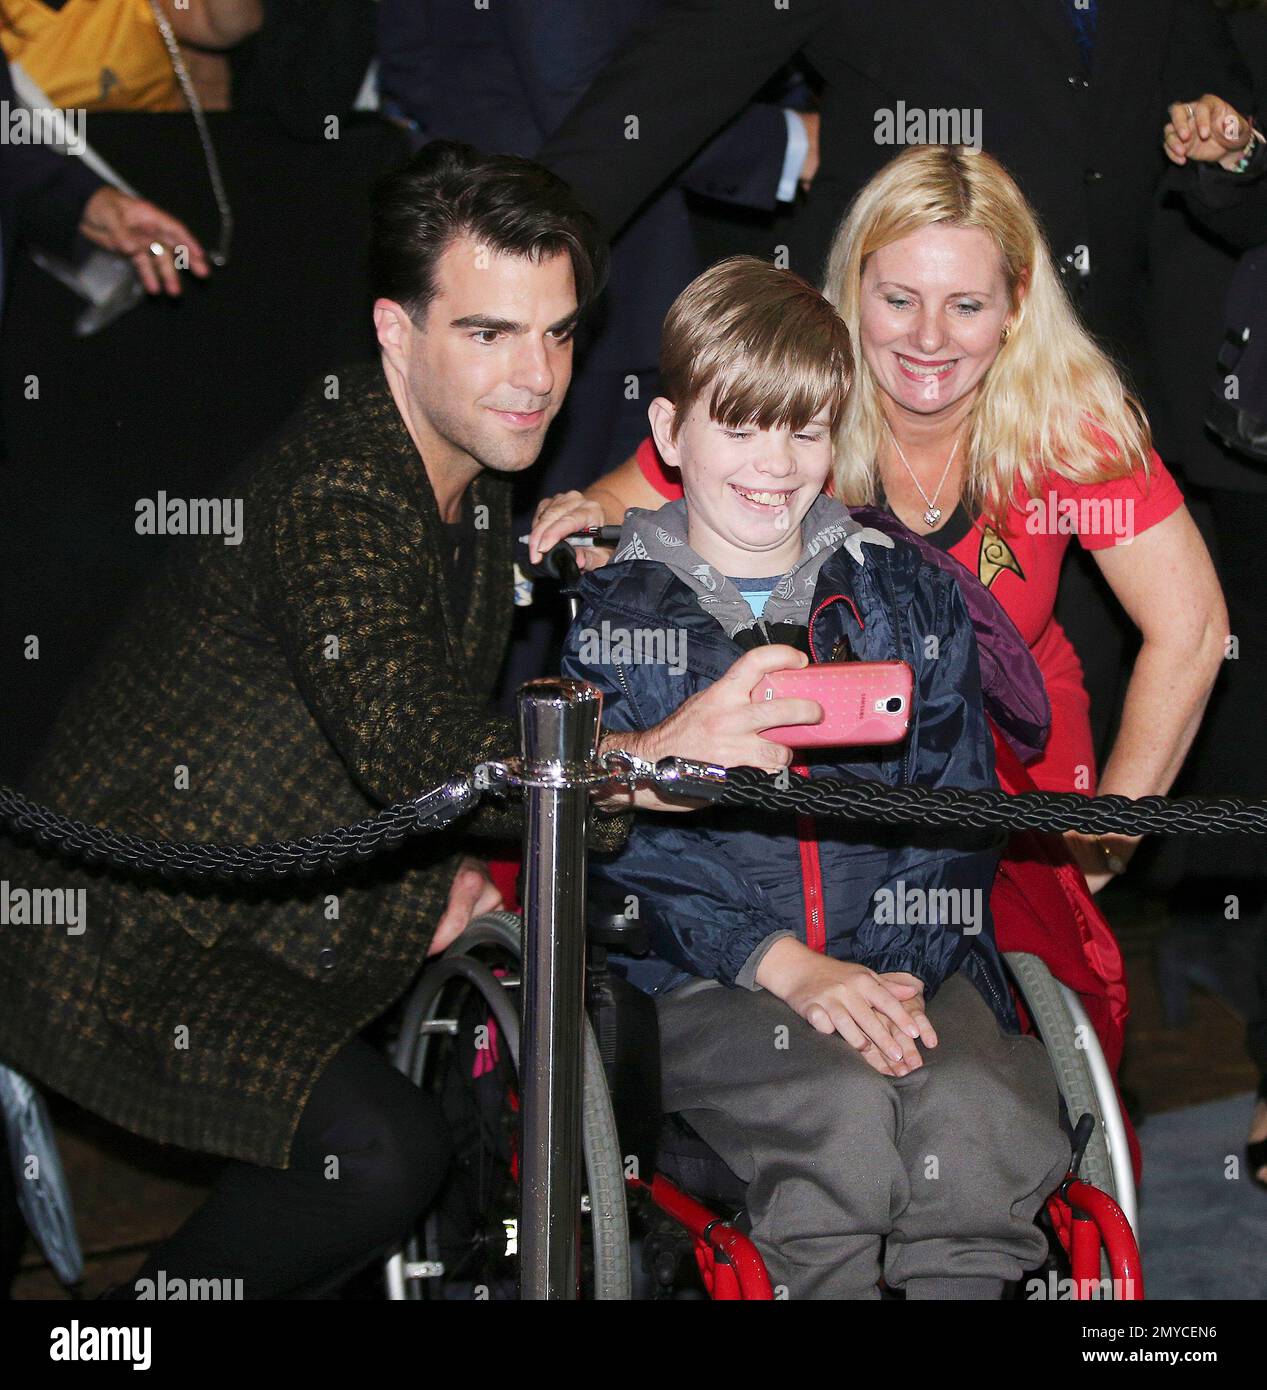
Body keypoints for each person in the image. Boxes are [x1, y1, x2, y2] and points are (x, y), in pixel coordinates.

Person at [0, 141, 819, 1299]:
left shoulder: (470, 467)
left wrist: (441, 866)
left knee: (387, 1154)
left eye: (558, 332)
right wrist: (644, 757)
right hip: (126, 932)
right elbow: (407, 740)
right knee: (375, 1155)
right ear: (396, 330)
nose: (536, 377)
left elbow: (408, 720)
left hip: (265, 915)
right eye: (489, 333)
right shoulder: (341, 487)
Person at [562, 255, 1070, 1299]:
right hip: (708, 984)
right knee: (840, 1125)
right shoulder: (617, 622)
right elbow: (630, 856)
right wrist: (784, 964)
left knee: (980, 1118)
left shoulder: (907, 595)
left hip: (909, 963)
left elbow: (955, 808)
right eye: (741, 426)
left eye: (803, 430)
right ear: (669, 434)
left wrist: (896, 968)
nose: (774, 462)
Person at [536, 145, 1228, 897]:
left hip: (1017, 766)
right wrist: (585, 522)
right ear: (853, 289)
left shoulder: (1068, 421)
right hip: (825, 763)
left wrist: (1103, 845)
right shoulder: (799, 392)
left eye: (965, 306)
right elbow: (626, 497)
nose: (928, 338)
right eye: (899, 300)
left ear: (1015, 305)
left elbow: (1191, 631)